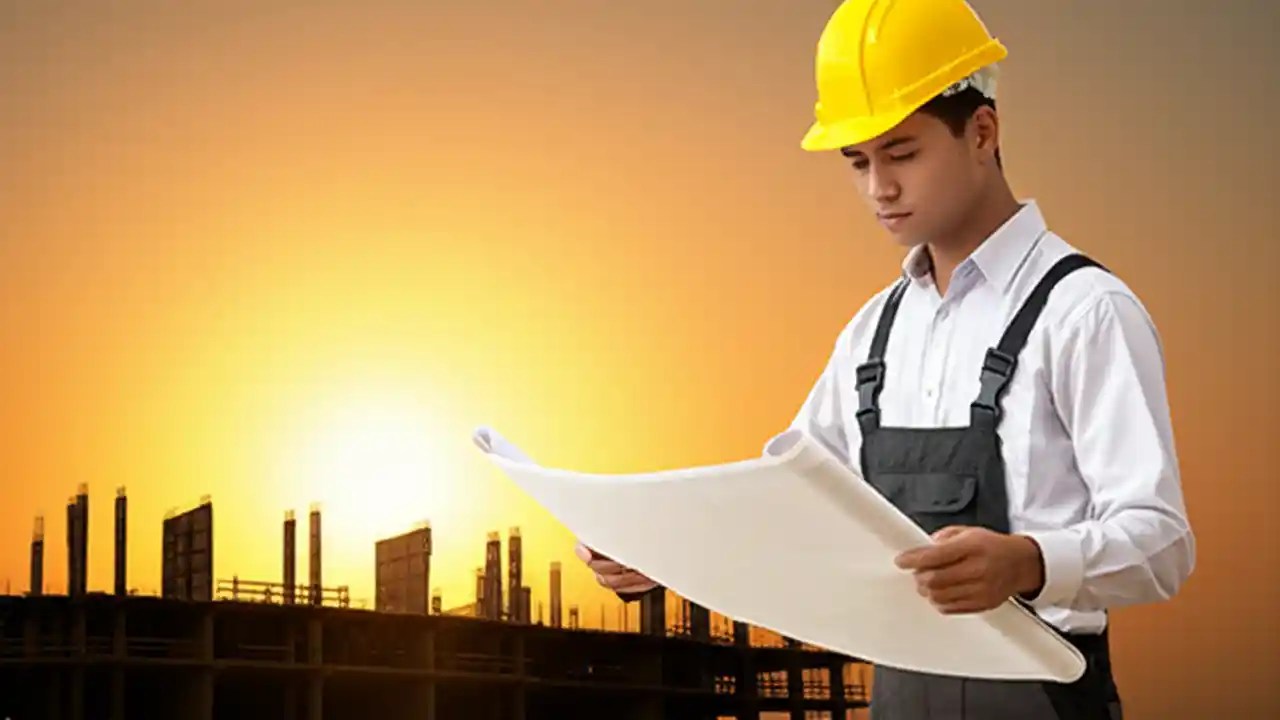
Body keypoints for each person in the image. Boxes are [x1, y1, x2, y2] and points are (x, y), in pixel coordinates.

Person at [577, 1, 1195, 718]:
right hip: (899, 695)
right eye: (859, 163)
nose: (880, 189)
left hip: (1044, 699)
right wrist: (664, 553)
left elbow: (1161, 543)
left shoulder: (1083, 311)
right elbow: (789, 505)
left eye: (902, 154)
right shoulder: (874, 334)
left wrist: (1027, 563)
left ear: (982, 133)